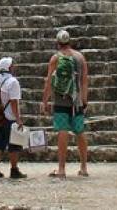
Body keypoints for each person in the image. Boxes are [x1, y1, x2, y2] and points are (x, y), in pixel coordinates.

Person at [42, 29, 89, 178]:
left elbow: (49, 80)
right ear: (70, 41)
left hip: (60, 99)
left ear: (57, 43)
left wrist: (45, 100)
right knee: (80, 132)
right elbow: (84, 80)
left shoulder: (56, 58)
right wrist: (84, 98)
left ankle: (61, 168)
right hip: (77, 100)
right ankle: (83, 167)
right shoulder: (80, 57)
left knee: (62, 131)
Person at [0, 56, 27, 179]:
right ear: (9, 67)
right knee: (14, 144)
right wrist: (18, 119)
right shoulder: (13, 82)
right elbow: (14, 102)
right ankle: (14, 169)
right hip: (9, 116)